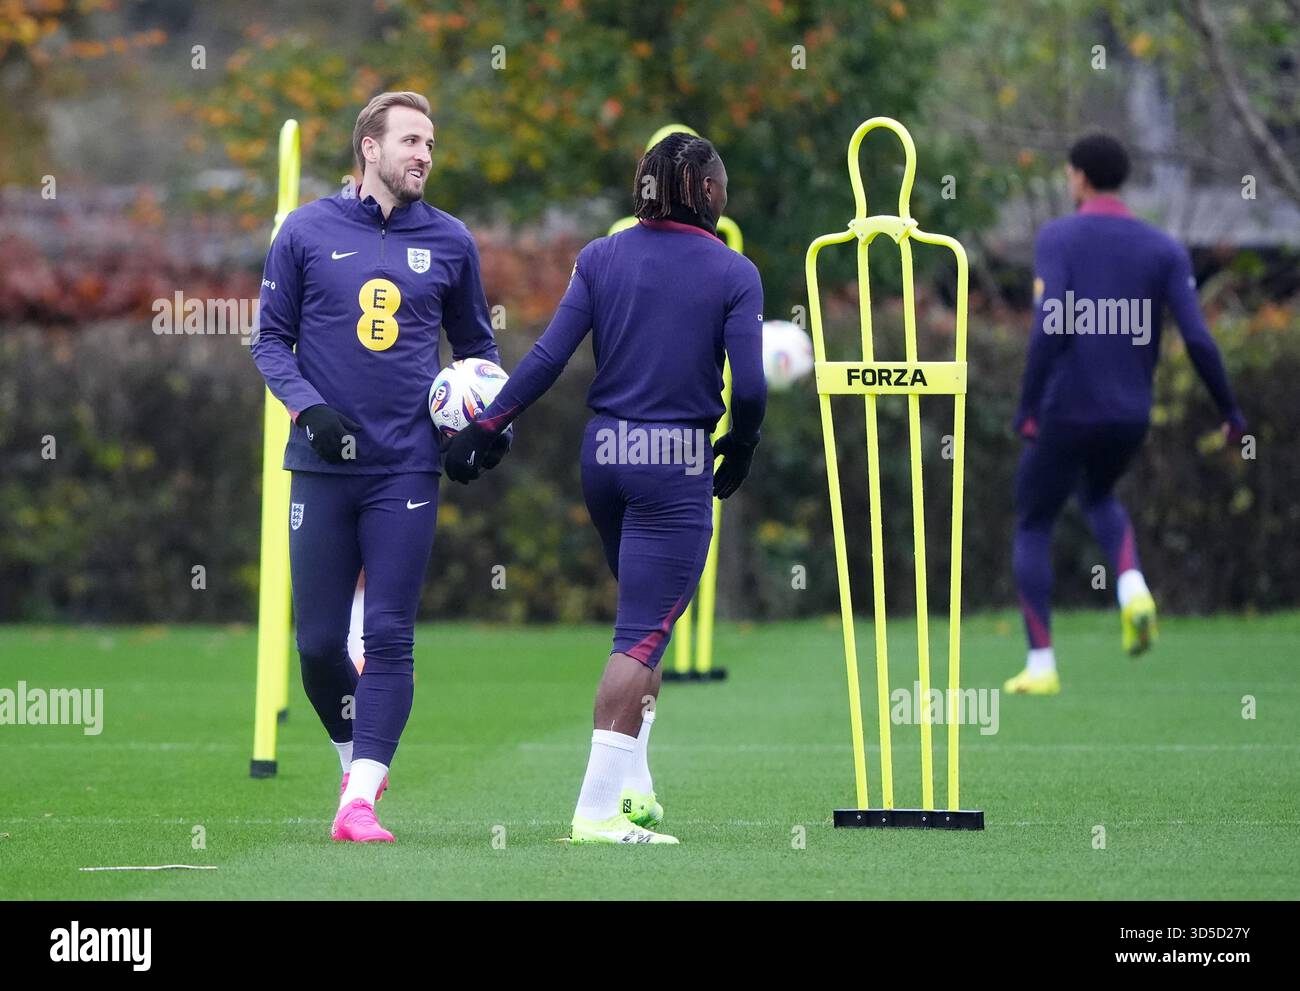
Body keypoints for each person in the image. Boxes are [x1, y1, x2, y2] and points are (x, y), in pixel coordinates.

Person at [445, 132, 766, 843]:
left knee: (647, 629)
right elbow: (751, 389)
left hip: (606, 454)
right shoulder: (734, 271)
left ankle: (634, 790)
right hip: (672, 459)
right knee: (640, 634)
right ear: (708, 193)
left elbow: (547, 358)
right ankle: (595, 811)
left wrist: (484, 427)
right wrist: (740, 448)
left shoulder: (600, 256)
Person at [252, 91, 509, 841]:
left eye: (430, 142)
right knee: (318, 643)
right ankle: (352, 762)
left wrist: (482, 432)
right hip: (322, 466)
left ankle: (359, 798)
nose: (423, 154)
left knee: (390, 636)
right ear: (369, 147)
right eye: (410, 141)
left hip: (406, 470)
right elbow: (270, 341)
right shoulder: (304, 231)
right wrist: (310, 409)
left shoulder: (453, 240)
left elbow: (479, 356)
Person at [1005, 132, 1247, 695]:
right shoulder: (1163, 248)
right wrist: (1231, 411)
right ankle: (1133, 586)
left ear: (1080, 177)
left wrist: (1028, 407)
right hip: (1131, 413)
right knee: (1098, 495)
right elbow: (1199, 339)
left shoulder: (1060, 235)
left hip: (1067, 407)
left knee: (1034, 521)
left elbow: (1050, 323)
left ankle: (1041, 665)